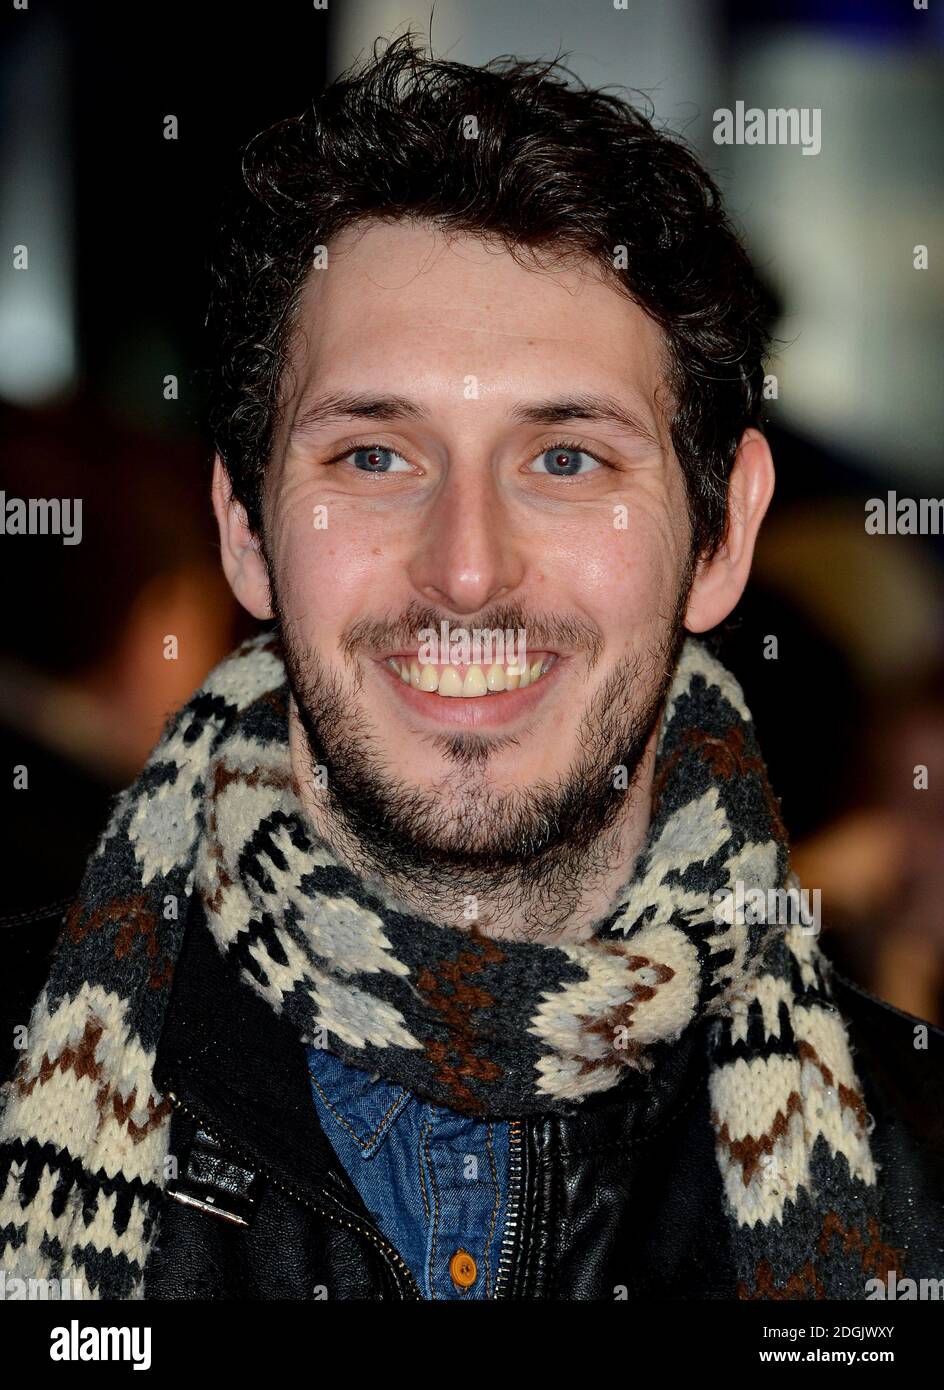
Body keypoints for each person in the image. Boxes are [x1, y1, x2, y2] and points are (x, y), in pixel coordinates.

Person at [1, 33, 941, 1303]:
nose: (462, 569)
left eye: (563, 459)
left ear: (721, 535)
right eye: (374, 456)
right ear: (242, 529)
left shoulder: (921, 1178)